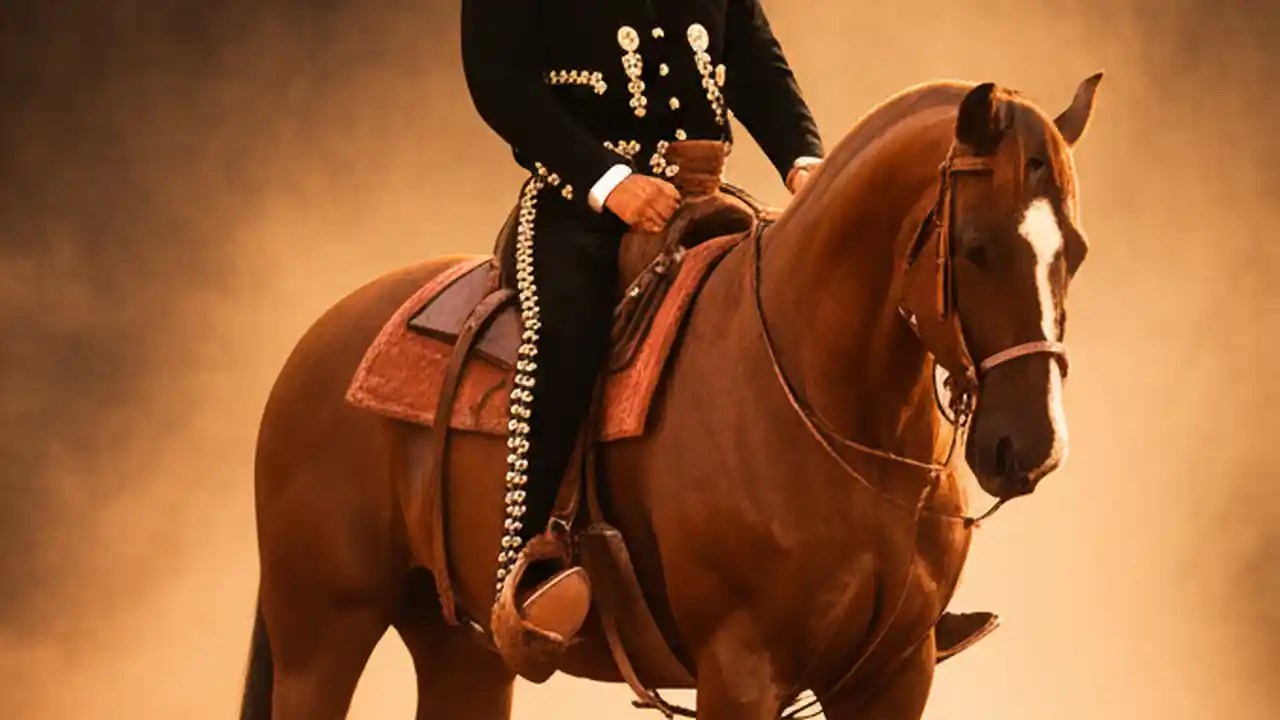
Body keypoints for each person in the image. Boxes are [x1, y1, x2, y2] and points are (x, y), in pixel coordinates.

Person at [461, 0, 824, 631]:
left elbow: (754, 60)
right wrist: (610, 181)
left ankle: (879, 553)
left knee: (806, 315)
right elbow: (503, 84)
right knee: (566, 341)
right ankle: (532, 561)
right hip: (581, 208)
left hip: (704, 200)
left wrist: (802, 158)